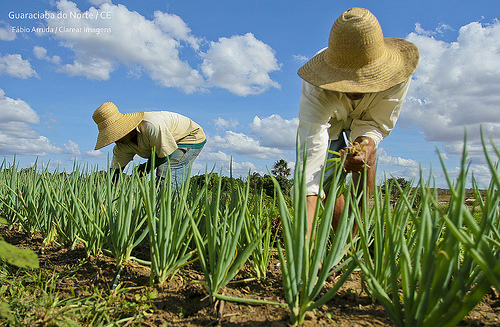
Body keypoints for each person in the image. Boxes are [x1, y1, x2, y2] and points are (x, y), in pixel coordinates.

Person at [296, 7, 419, 238]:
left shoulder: (396, 79)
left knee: (366, 158)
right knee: (327, 180)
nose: (354, 90)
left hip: (365, 118)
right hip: (331, 121)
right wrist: (305, 253)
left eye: (362, 82)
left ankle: (351, 246)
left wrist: (363, 147)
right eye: (347, 83)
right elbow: (309, 167)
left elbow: (377, 124)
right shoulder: (316, 88)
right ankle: (333, 243)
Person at [92, 102, 206, 184]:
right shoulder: (122, 146)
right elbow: (115, 171)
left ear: (125, 130)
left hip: (188, 137)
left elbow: (166, 154)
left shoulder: (150, 126)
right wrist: (107, 190)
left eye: (116, 135)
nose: (115, 140)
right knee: (160, 180)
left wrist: (145, 168)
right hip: (164, 145)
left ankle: (171, 210)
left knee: (167, 172)